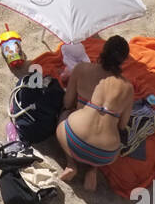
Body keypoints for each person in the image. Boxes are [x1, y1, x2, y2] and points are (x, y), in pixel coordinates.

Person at [55, 37, 134, 190]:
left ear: (103, 51)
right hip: (106, 155)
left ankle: (71, 165)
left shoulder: (82, 68)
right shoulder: (128, 88)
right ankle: (93, 169)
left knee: (63, 116)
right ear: (123, 61)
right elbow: (123, 125)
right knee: (109, 130)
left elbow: (67, 102)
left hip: (74, 140)